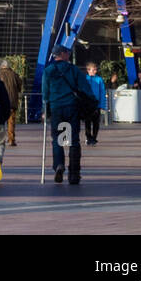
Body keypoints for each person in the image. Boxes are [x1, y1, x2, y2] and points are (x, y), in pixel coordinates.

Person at [42, 45, 92, 185]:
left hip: (56, 107)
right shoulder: (73, 70)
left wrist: (44, 110)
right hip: (72, 107)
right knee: (74, 140)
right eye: (67, 53)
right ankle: (74, 174)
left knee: (57, 138)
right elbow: (85, 88)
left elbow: (45, 93)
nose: (69, 55)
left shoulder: (48, 71)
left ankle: (59, 164)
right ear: (62, 54)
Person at [0, 60, 22, 146]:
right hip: (12, 101)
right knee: (11, 122)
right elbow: (19, 86)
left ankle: (0, 140)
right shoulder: (14, 74)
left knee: (0, 122)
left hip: (1, 102)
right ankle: (11, 139)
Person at [83, 62, 106, 146]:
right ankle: (89, 138)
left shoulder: (99, 80)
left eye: (95, 69)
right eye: (93, 69)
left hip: (96, 105)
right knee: (87, 123)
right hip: (87, 105)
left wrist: (102, 105)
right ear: (88, 70)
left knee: (96, 123)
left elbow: (102, 92)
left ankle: (94, 138)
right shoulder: (85, 79)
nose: (95, 71)